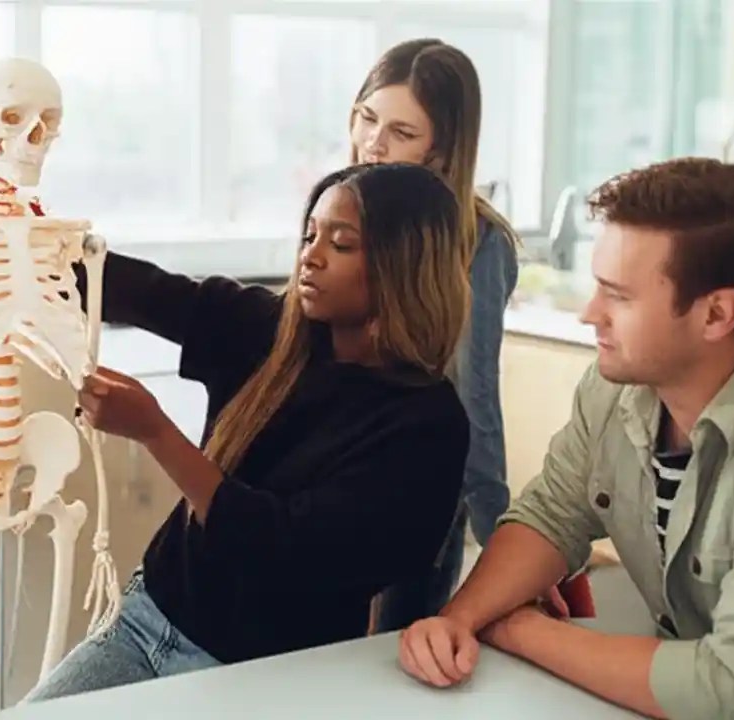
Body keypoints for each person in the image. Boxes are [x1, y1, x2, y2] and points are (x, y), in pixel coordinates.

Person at [23, 161, 471, 701]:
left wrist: (156, 433)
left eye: (342, 243)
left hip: (267, 676)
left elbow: (284, 549)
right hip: (145, 624)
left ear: (405, 262)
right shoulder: (266, 329)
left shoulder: (426, 427)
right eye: (310, 235)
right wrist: (31, 244)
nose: (312, 255)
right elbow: (146, 292)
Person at [399, 157, 734, 720]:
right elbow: (551, 514)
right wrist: (459, 620)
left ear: (716, 314)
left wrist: (520, 629)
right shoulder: (617, 391)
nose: (589, 314)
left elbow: (732, 692)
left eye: (618, 296)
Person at [349, 38, 594, 630]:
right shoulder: (341, 210)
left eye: (402, 132)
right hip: (323, 480)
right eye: (367, 117)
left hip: (414, 494)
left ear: (443, 148)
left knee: (399, 662)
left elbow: (472, 401)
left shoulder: (477, 244)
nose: (373, 143)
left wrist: (507, 552)